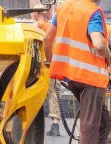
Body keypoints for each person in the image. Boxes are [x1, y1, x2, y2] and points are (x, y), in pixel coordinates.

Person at [45, 0, 111, 144]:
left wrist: (50, 61)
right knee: (91, 126)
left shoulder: (63, 8)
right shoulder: (92, 12)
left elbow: (47, 40)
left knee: (105, 123)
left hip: (71, 75)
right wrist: (108, 56)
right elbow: (99, 44)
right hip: (90, 77)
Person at [34, 5, 63, 136]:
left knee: (34, 93)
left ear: (35, 14)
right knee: (54, 94)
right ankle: (55, 124)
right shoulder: (52, 28)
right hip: (54, 64)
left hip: (40, 66)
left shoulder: (34, 27)